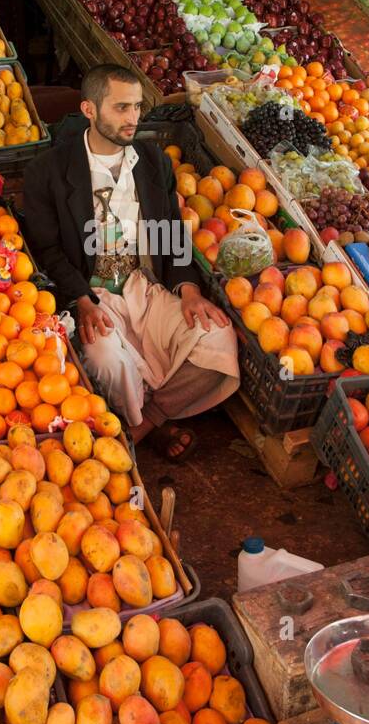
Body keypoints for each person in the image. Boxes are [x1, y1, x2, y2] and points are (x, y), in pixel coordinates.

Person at [22, 65, 240, 460]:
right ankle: (145, 418)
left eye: (138, 107)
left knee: (218, 340)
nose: (133, 119)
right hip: (93, 293)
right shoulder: (48, 172)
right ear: (89, 109)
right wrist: (83, 299)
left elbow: (172, 233)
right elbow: (48, 251)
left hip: (146, 285)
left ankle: (145, 420)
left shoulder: (153, 161)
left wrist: (189, 291)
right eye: (122, 108)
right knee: (106, 359)